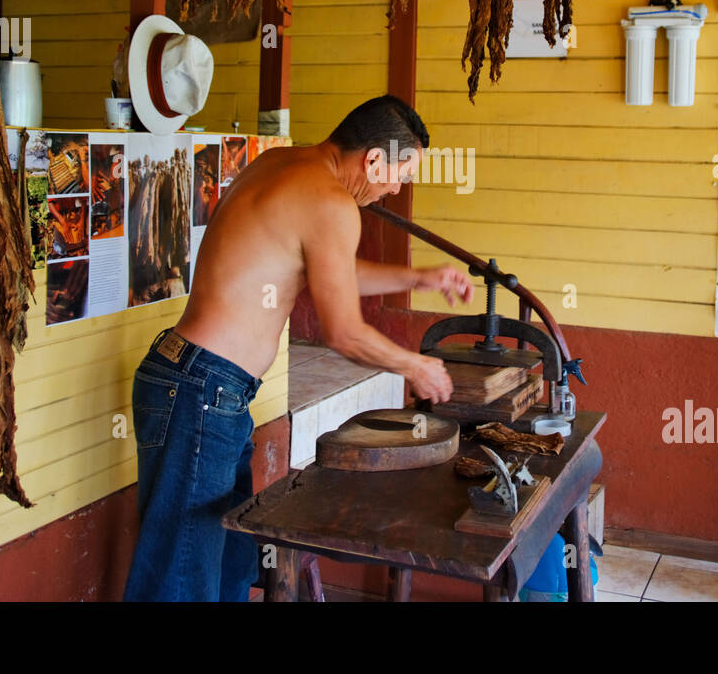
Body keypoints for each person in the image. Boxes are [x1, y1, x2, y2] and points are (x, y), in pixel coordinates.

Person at [123, 95, 473, 602]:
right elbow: (343, 331)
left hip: (196, 384)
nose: (396, 188)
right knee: (180, 577)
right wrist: (414, 366)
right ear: (373, 159)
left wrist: (419, 276)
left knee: (221, 565)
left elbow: (329, 270)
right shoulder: (332, 203)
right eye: (399, 173)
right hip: (202, 392)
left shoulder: (283, 163)